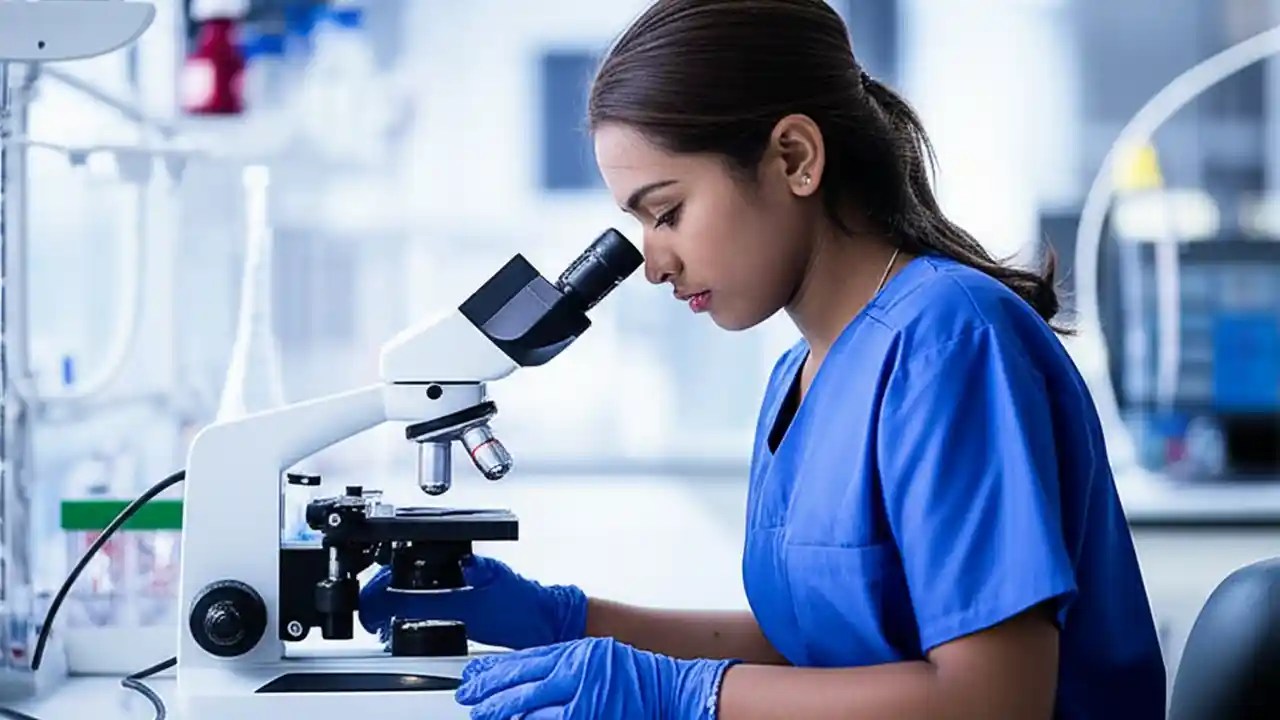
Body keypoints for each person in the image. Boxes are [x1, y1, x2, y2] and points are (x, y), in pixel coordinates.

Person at [359, 0, 1167, 717]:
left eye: (667, 211)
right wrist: (567, 621)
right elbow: (813, 650)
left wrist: (681, 695)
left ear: (793, 159)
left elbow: (991, 699)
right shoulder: (800, 376)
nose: (653, 262)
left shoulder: (950, 342)